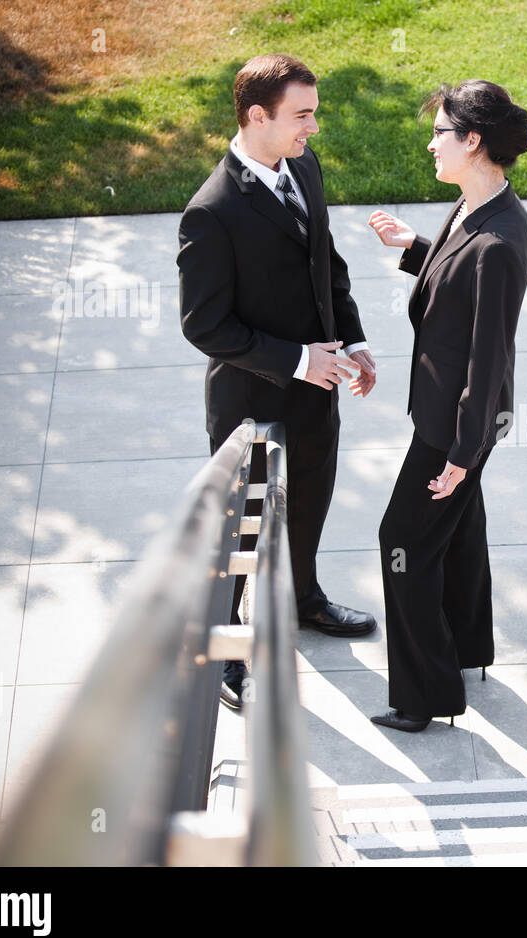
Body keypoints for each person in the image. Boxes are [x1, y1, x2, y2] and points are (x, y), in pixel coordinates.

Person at [178, 53, 378, 711]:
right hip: (251, 399)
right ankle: (225, 649)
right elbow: (205, 326)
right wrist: (297, 359)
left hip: (318, 389)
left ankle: (307, 600)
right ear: (256, 117)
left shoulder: (305, 168)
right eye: (302, 115)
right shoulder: (210, 212)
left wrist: (352, 341)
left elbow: (329, 264)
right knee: (242, 528)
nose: (313, 128)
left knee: (313, 496)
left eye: (313, 113)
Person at [366, 79, 527, 732]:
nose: (430, 143)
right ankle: (467, 649)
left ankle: (425, 695)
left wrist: (462, 455)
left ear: (473, 140)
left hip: (455, 426)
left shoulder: (496, 240)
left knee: (402, 542)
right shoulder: (480, 206)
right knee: (457, 532)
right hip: (456, 419)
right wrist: (413, 248)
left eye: (440, 132)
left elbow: (485, 359)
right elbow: (453, 280)